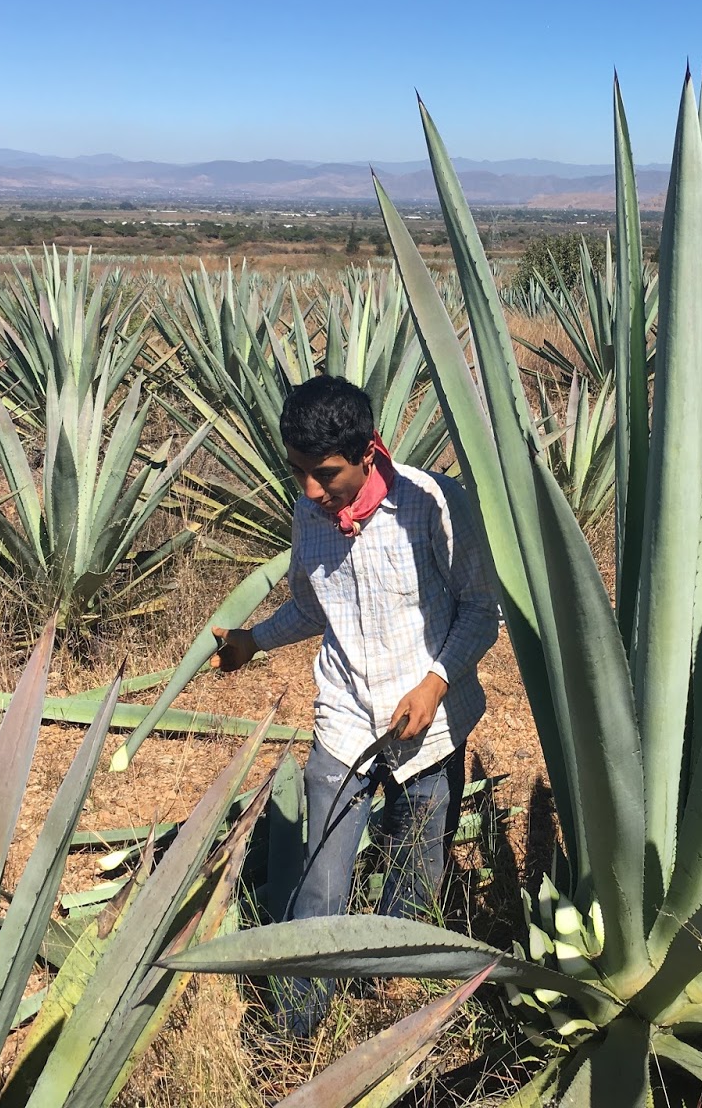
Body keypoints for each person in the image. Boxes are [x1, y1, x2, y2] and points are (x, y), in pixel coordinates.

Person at [210, 374, 499, 1032]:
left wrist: (436, 682)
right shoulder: (310, 513)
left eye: (326, 474)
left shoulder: (431, 503)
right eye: (298, 473)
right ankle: (299, 1030)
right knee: (321, 882)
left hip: (427, 732)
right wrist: (254, 640)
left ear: (371, 450)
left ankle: (384, 1003)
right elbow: (315, 607)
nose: (312, 490)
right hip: (343, 722)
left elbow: (483, 610)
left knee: (415, 874)